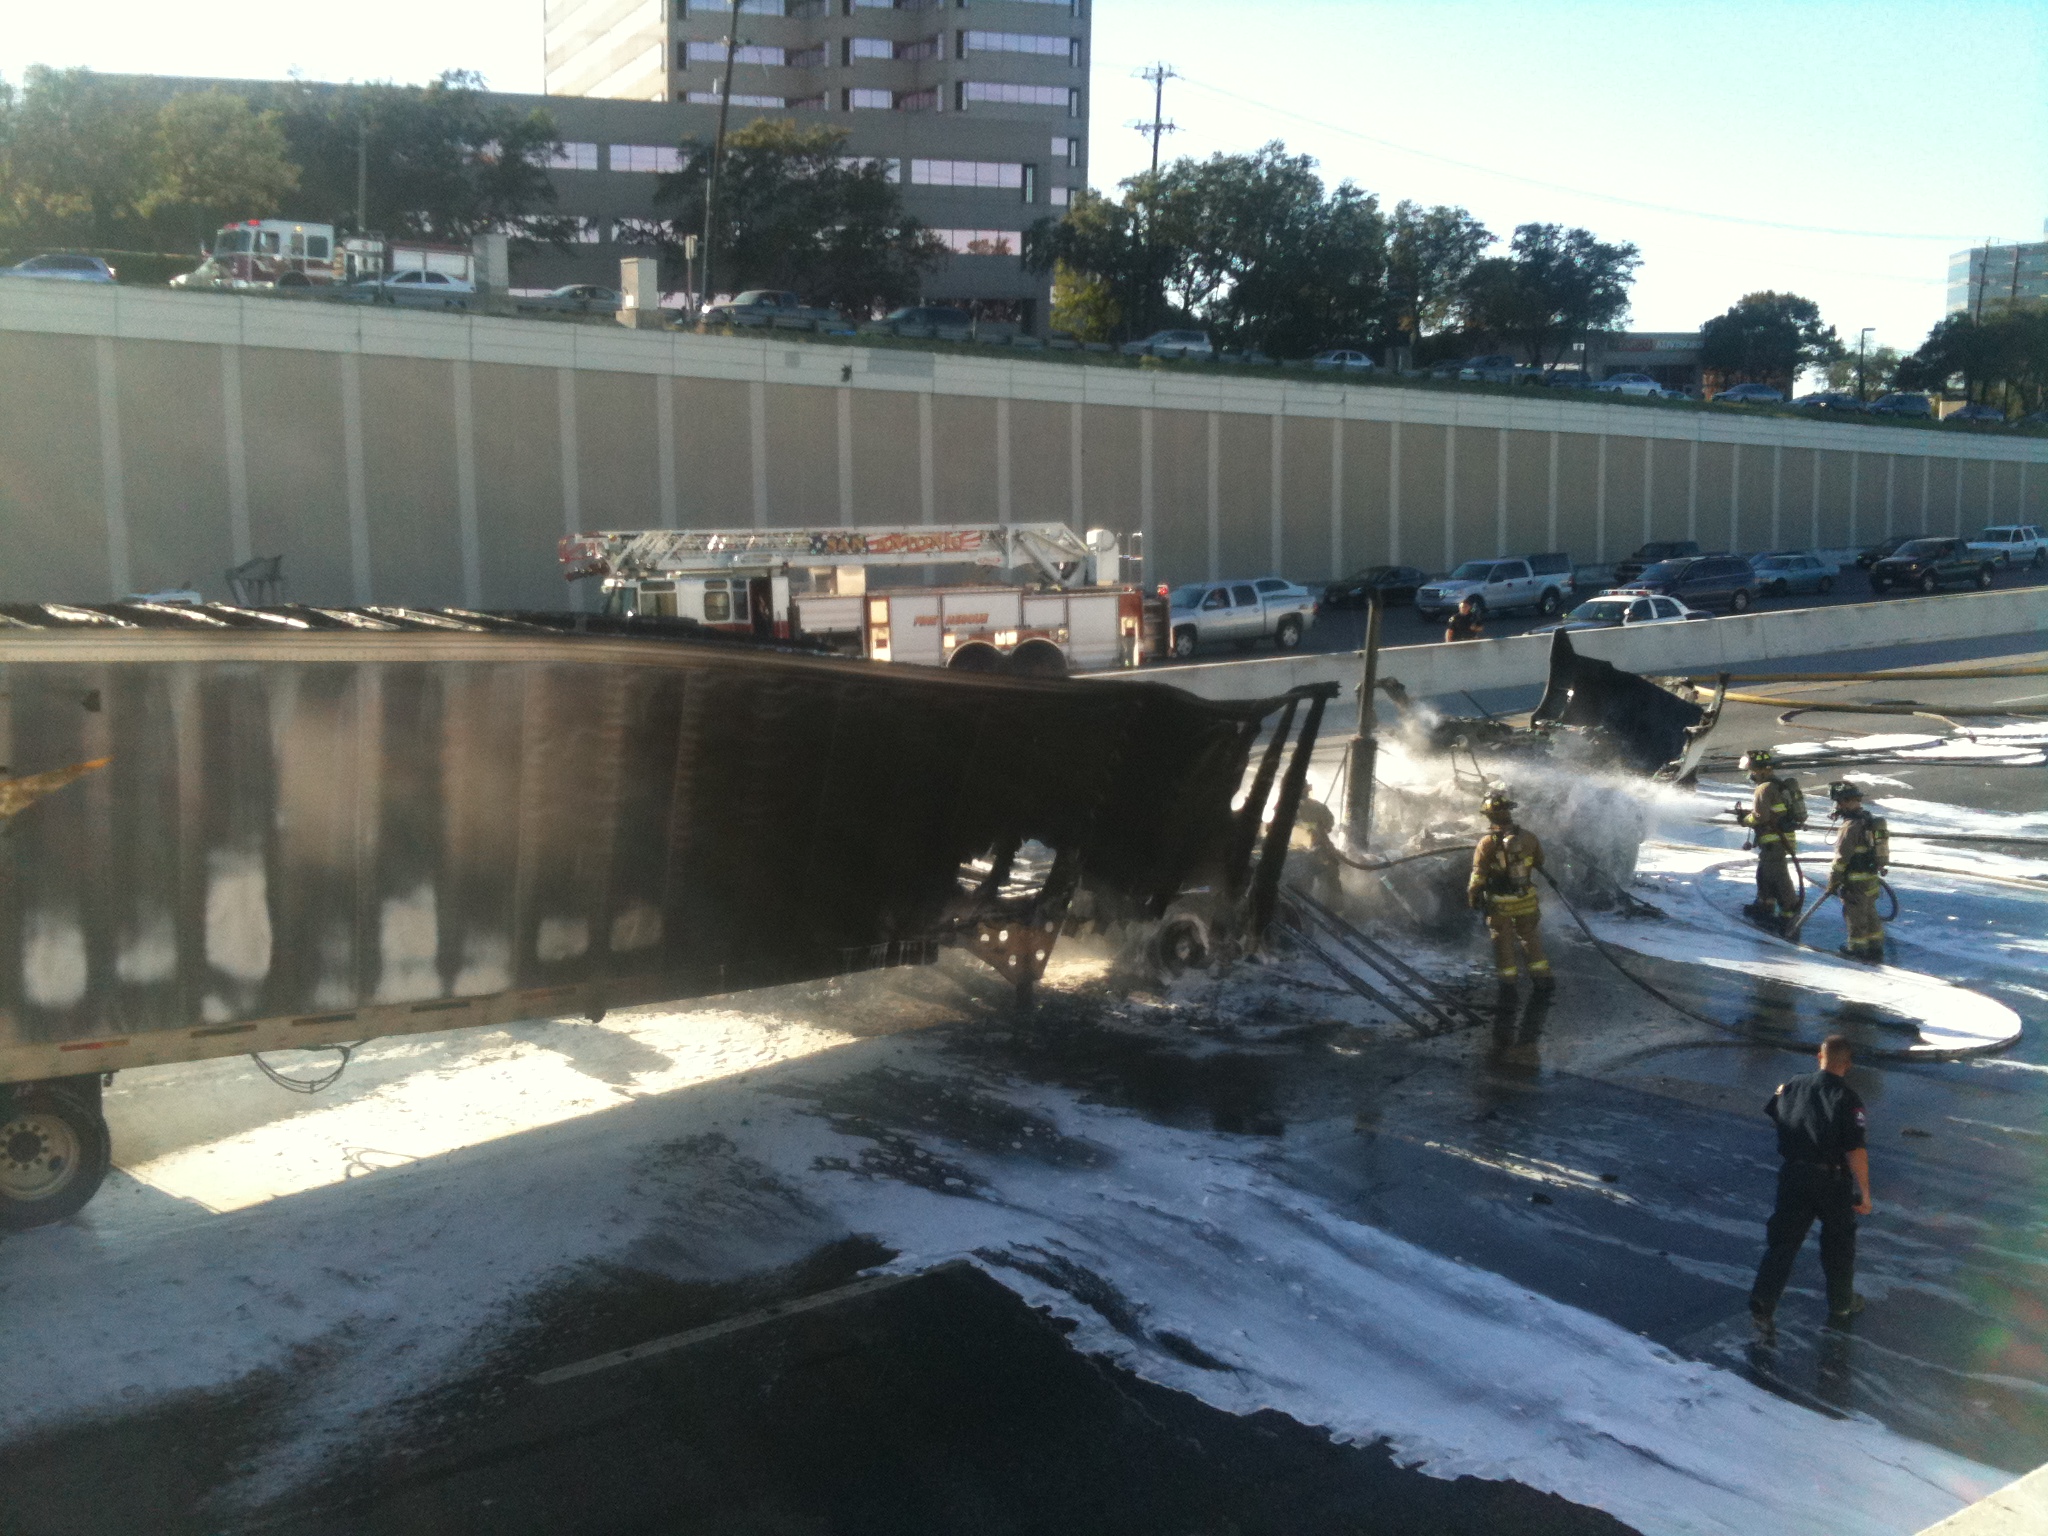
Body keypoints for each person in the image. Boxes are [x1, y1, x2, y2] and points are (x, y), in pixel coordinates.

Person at [1749, 1034, 1871, 1336]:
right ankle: (1841, 1303)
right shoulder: (1847, 1099)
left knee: (1783, 1242)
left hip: (1793, 1176)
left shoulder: (1792, 1085)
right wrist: (1865, 1193)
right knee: (1839, 1245)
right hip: (1831, 1180)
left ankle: (1764, 1301)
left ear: (1820, 1057)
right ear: (1848, 1064)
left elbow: (1778, 1114)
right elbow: (1855, 1149)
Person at [1467, 790, 1552, 991]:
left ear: (1489, 816)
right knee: (1529, 937)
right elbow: (1540, 861)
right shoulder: (1529, 837)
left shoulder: (1486, 843)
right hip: (1527, 898)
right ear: (1509, 812)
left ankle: (1508, 984)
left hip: (1500, 903)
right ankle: (1543, 980)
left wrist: (1473, 894)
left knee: (1502, 939)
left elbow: (1478, 874)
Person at [1735, 748, 1805, 934]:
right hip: (1779, 839)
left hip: (1774, 840)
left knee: (1778, 877)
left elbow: (1760, 816)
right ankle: (1764, 905)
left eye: (1752, 771)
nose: (1751, 775)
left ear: (1760, 770)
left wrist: (1744, 820)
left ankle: (1788, 915)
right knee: (1765, 873)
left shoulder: (1764, 788)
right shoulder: (1777, 785)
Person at [1827, 780, 1890, 962]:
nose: (1837, 806)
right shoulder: (1868, 820)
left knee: (1855, 915)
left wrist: (1833, 881)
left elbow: (1841, 859)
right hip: (1870, 877)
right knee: (1870, 912)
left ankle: (1857, 949)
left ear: (1846, 802)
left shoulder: (1850, 826)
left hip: (1855, 881)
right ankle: (1875, 948)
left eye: (1839, 802)